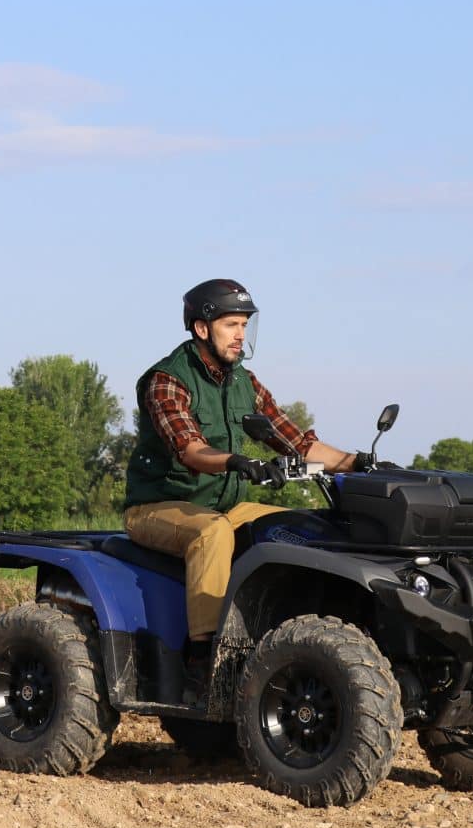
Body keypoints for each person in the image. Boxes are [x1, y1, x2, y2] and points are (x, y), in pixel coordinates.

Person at [123, 279, 374, 690]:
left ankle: (293, 636)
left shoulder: (245, 382)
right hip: (158, 506)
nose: (240, 335)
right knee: (212, 533)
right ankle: (205, 660)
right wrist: (237, 461)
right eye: (231, 325)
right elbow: (190, 450)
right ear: (202, 328)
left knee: (299, 527)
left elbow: (298, 443)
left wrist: (358, 462)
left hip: (225, 507)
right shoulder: (167, 380)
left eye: (244, 325)